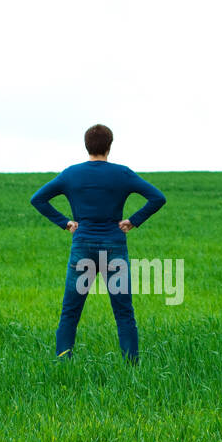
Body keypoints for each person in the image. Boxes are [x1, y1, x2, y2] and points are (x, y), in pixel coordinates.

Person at [30, 124, 166, 362]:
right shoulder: (122, 174)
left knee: (70, 312)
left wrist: (65, 223)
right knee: (124, 313)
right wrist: (134, 221)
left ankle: (63, 362)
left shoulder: (71, 174)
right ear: (109, 146)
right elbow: (157, 197)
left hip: (82, 247)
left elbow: (38, 199)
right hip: (114, 247)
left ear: (86, 146)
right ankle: (131, 367)